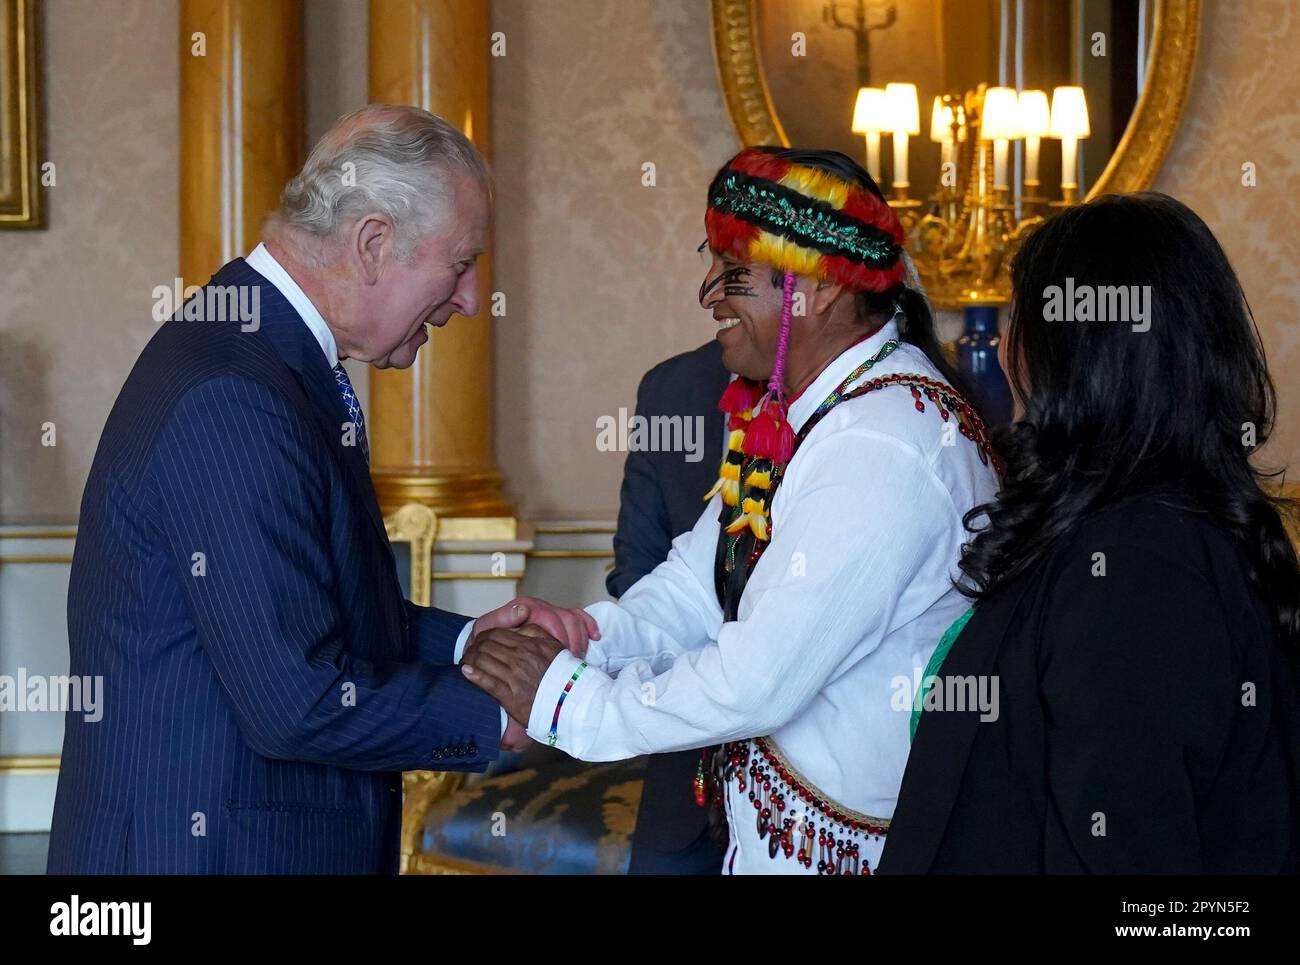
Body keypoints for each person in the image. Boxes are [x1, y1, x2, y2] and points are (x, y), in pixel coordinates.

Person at [47, 105, 590, 874]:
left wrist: (474, 644)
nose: (470, 298)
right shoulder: (235, 391)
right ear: (373, 243)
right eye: (462, 262)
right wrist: (500, 713)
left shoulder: (265, 352)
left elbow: (310, 608)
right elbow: (294, 700)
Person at [463, 147, 1001, 874]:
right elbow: (696, 583)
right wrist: (588, 636)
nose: (708, 292)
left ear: (821, 285)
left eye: (733, 270)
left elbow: (757, 678)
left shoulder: (884, 443)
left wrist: (565, 701)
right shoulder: (806, 413)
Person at [879, 192, 1300, 873]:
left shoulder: (1137, 564)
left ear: (1083, 348)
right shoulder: (1116, 526)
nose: (1006, 342)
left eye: (1021, 315)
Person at [608, 340, 729, 874]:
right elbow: (639, 565)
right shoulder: (674, 388)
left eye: (735, 269)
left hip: (826, 787)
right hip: (685, 756)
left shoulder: (884, 392)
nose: (713, 289)